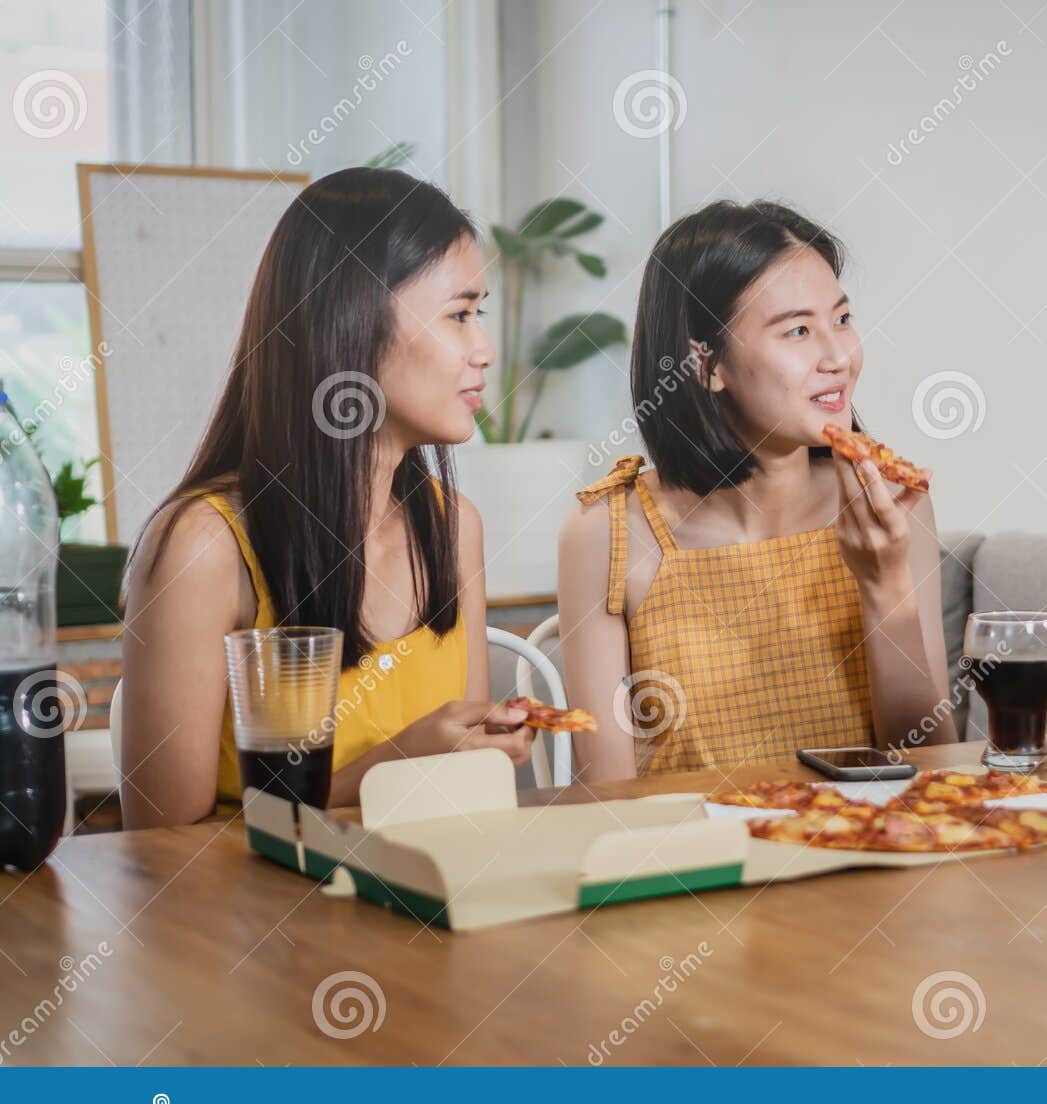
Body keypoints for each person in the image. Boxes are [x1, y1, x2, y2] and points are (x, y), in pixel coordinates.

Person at [121, 167, 531, 828]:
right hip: (257, 898)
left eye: (477, 315)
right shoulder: (201, 548)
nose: (483, 350)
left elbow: (464, 800)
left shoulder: (454, 527)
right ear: (354, 322)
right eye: (459, 315)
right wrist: (390, 767)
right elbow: (157, 850)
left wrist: (475, 752)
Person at [560, 200, 954, 781]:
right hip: (689, 841)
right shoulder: (607, 532)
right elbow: (607, 799)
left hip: (863, 834)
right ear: (706, 364)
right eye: (798, 330)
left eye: (842, 319)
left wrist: (885, 584)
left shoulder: (892, 505)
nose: (838, 357)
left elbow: (929, 766)